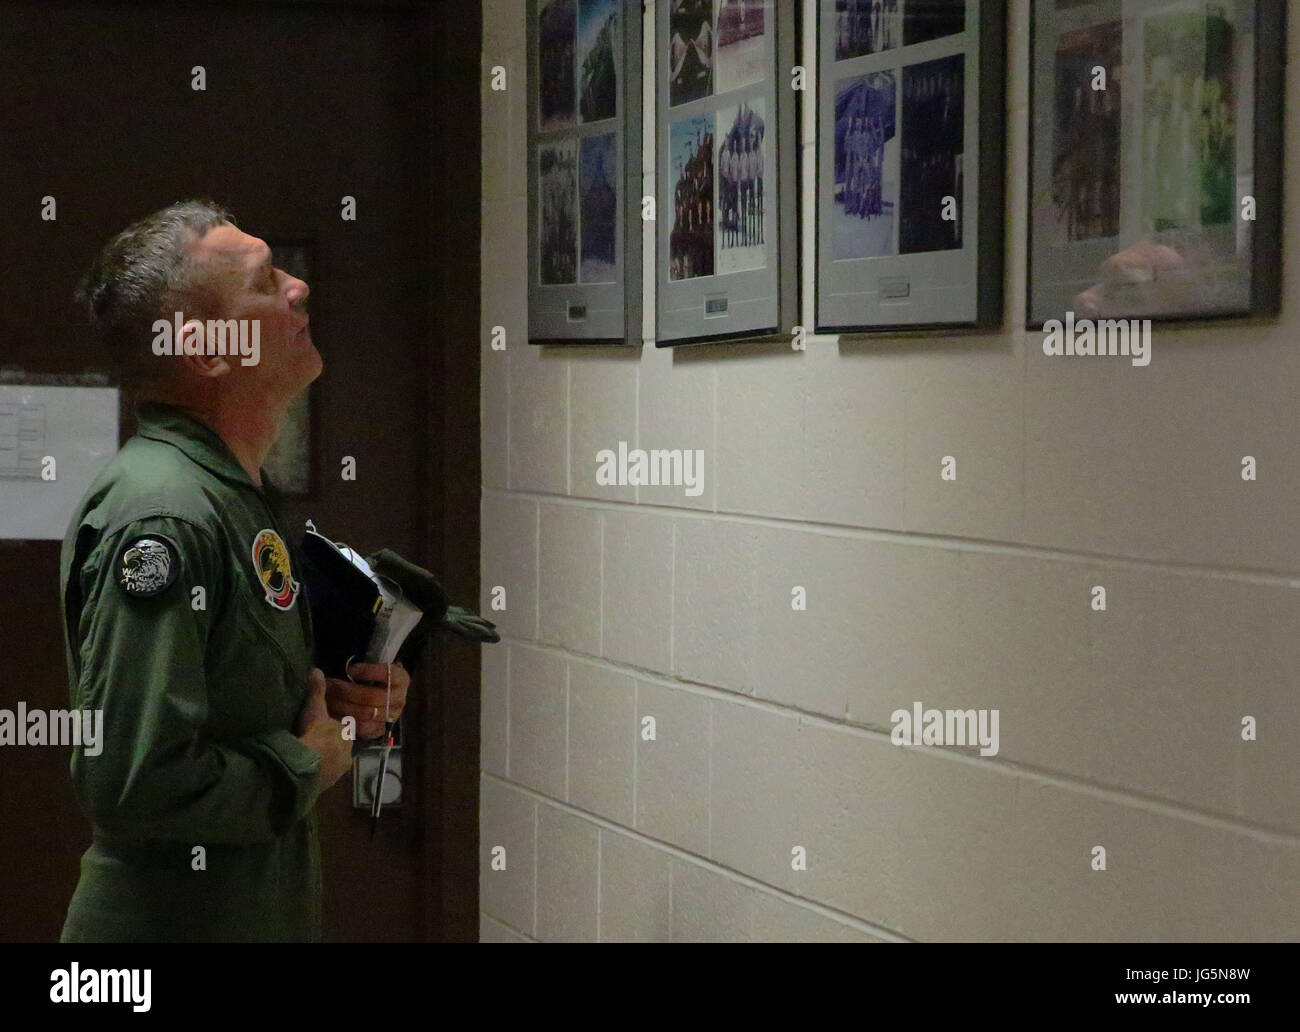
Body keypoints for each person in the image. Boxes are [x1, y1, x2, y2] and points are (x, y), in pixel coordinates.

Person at [59, 200, 410, 942]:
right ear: (207, 349)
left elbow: (232, 697)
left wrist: (337, 702)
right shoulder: (165, 513)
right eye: (265, 281)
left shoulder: (226, 494)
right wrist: (301, 766)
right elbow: (133, 782)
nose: (298, 289)